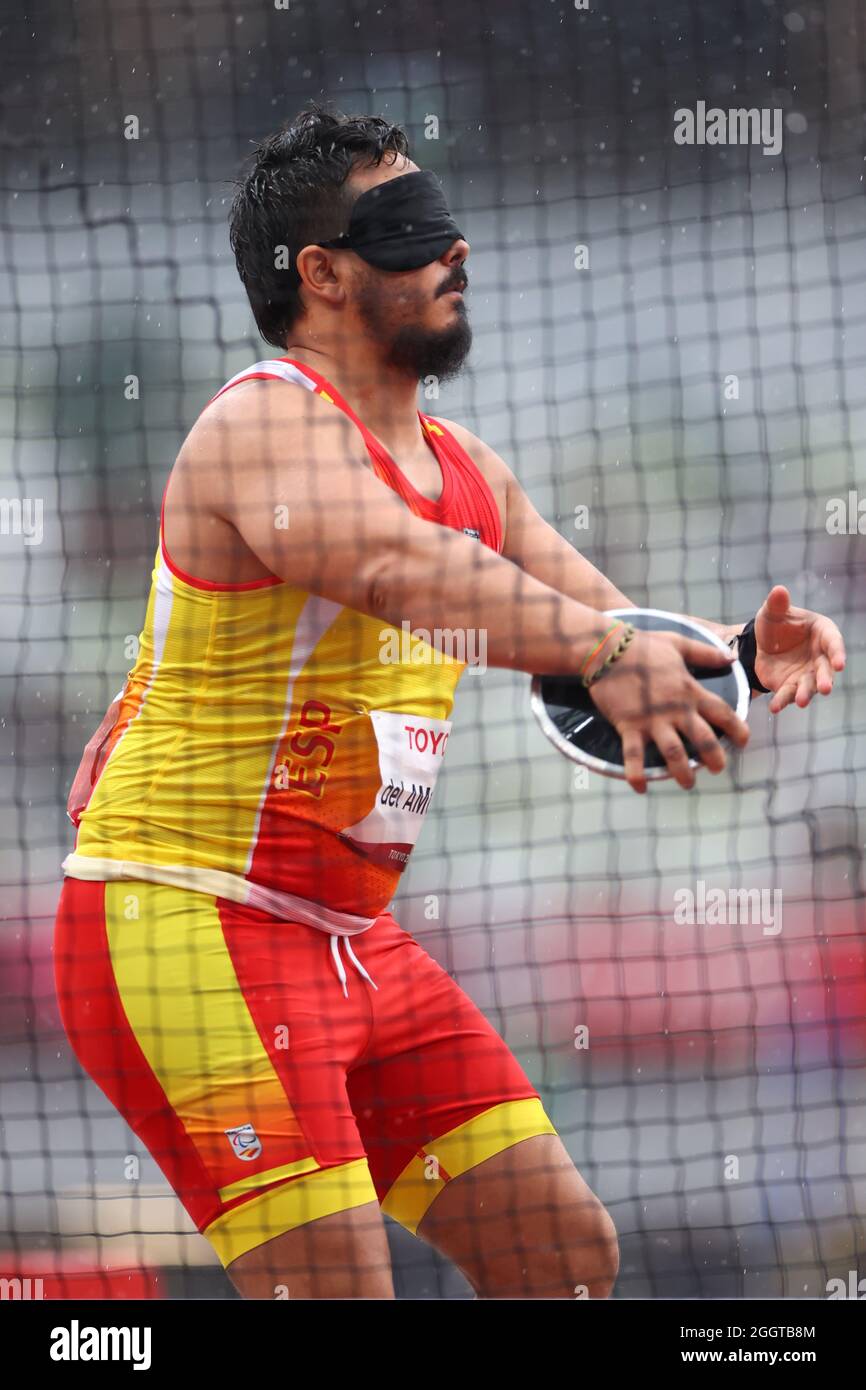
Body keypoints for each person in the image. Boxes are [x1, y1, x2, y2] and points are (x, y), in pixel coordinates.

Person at [53, 104, 846, 1299]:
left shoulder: (466, 466)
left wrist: (736, 652)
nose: (452, 248)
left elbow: (603, 635)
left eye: (446, 222)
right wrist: (597, 639)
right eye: (407, 226)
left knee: (561, 1254)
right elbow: (403, 569)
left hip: (348, 942)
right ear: (319, 274)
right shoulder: (260, 423)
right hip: (186, 922)